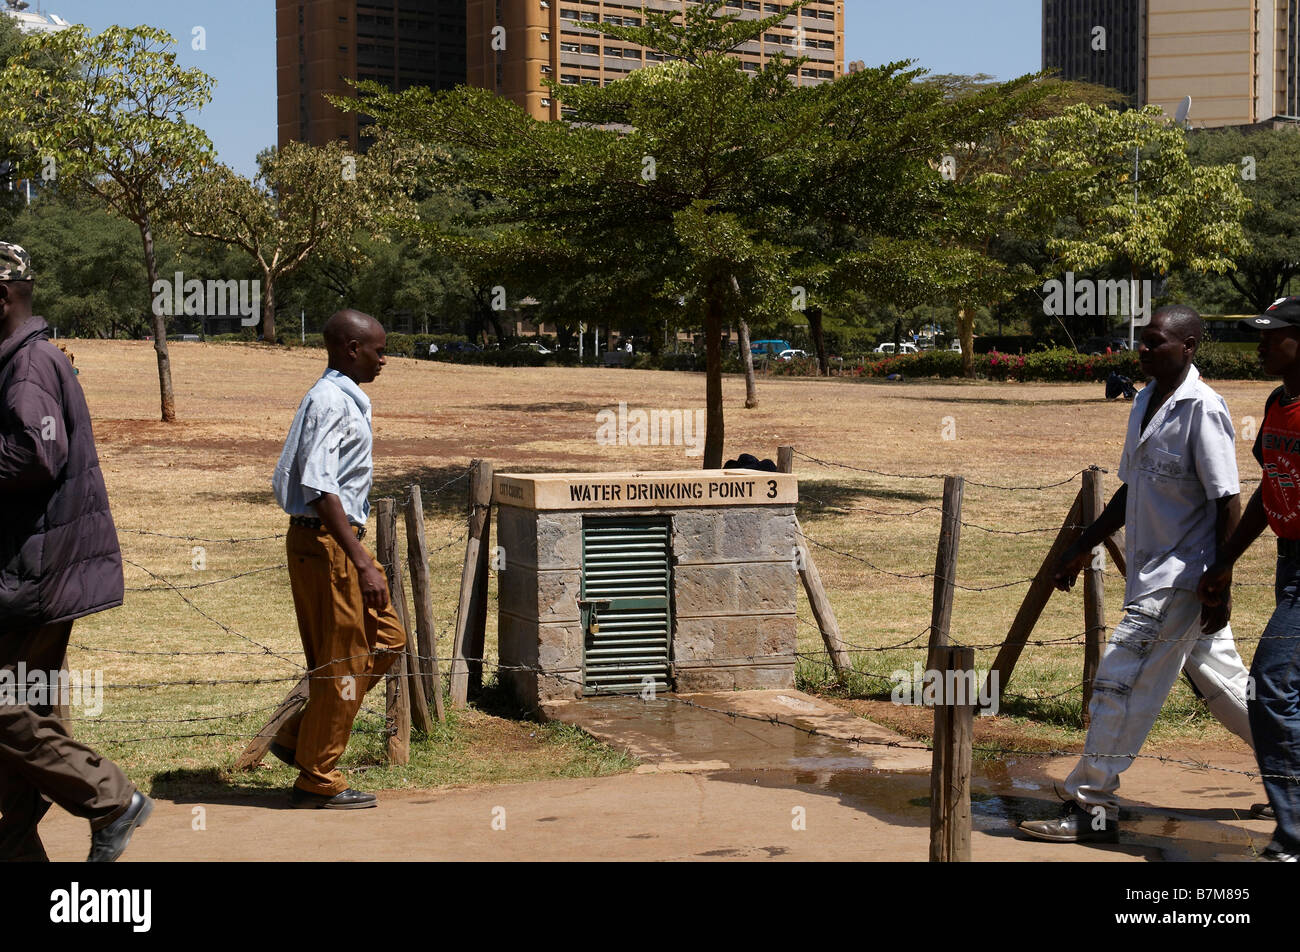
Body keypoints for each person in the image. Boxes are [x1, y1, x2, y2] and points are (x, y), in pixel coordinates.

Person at [1019, 305, 1254, 844]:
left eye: (1154, 342)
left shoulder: (1204, 408)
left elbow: (1227, 501)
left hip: (1182, 579)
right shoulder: (1145, 400)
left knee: (1117, 687)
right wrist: (1082, 546)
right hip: (1154, 574)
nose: (1142, 351)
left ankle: (1092, 807)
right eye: (1142, 342)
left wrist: (1221, 582)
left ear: (1189, 346)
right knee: (1228, 690)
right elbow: (1132, 488)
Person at [0, 241, 152, 861]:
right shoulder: (22, 358)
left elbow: (36, 454)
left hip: (30, 574)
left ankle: (109, 798)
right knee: (24, 715)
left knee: (8, 712)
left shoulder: (29, 365)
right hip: (38, 570)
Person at [270, 309, 406, 809]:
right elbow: (319, 485)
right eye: (378, 349)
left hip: (335, 540)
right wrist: (364, 562)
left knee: (387, 640)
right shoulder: (330, 401)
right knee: (345, 660)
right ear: (351, 348)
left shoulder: (342, 397)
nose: (384, 359)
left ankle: (297, 737)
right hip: (329, 543)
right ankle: (318, 775)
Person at [1198, 295, 1300, 862]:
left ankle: (1294, 835)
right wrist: (1227, 558)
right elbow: (1272, 486)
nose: (1260, 342)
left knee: (1272, 685)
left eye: (1272, 334)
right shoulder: (1279, 401)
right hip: (1290, 562)